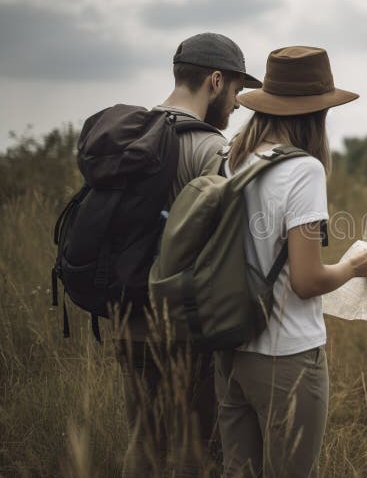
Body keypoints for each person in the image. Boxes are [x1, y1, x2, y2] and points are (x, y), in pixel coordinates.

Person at [215, 46, 367, 477]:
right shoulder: (303, 170)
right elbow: (306, 280)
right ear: (315, 113)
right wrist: (353, 266)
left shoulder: (232, 158)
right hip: (287, 355)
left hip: (232, 349)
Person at [115, 32, 262, 477]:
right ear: (215, 81)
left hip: (126, 318)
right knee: (194, 453)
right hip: (184, 328)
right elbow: (225, 249)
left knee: (143, 441)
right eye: (237, 91)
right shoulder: (210, 149)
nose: (237, 104)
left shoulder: (130, 134)